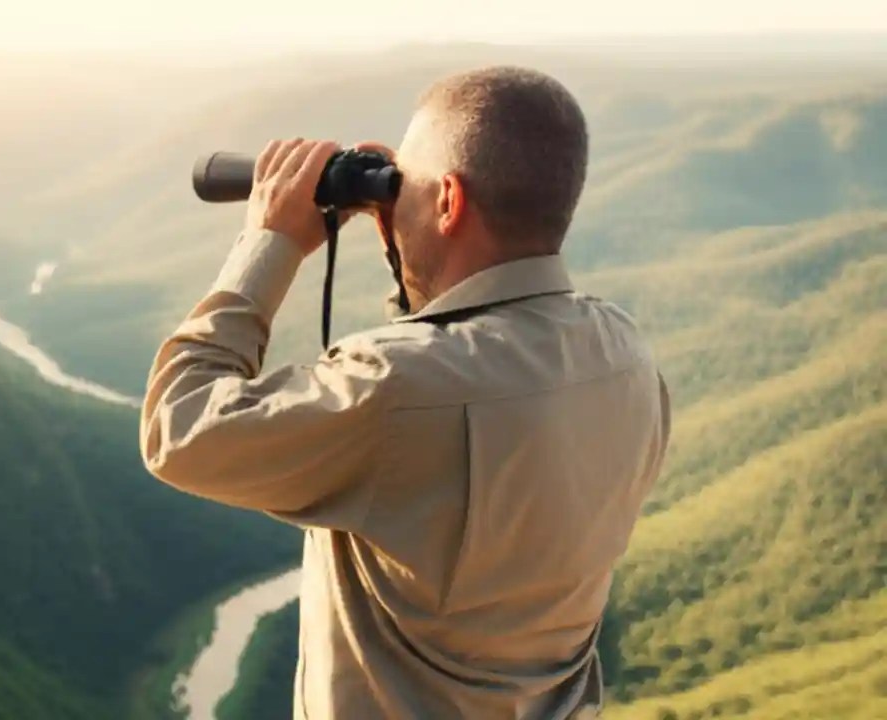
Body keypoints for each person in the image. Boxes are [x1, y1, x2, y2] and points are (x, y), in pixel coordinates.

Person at [139, 66, 670, 720]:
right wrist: (408, 243)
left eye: (403, 185)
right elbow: (456, 367)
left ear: (448, 202)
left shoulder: (394, 390)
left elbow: (178, 426)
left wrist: (269, 240)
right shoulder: (625, 354)